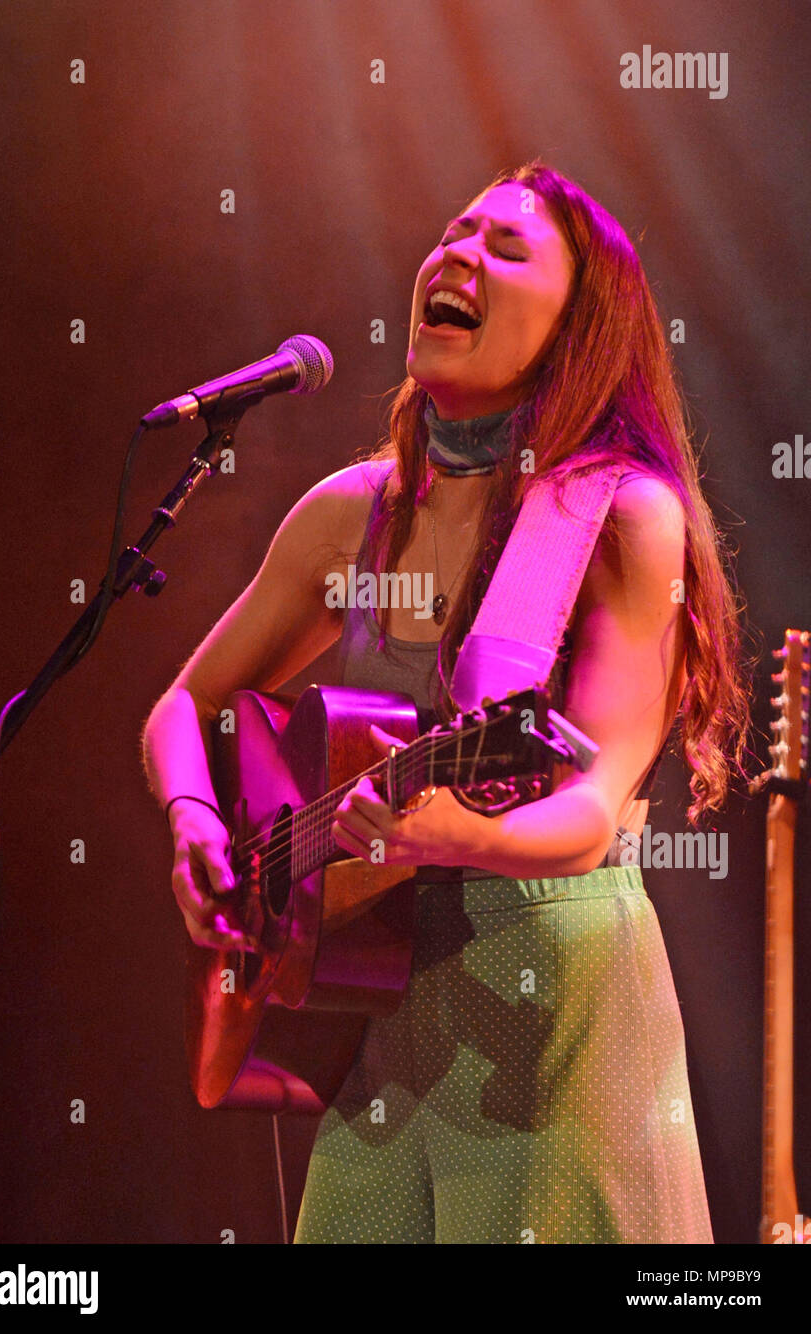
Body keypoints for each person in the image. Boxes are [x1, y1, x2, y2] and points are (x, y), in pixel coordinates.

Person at [141, 160, 749, 1244]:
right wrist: (196, 821)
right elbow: (184, 707)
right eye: (455, 233)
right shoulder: (352, 514)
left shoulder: (620, 515)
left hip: (548, 996)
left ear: (581, 327)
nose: (459, 254)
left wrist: (460, 830)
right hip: (372, 999)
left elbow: (591, 805)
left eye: (506, 248)